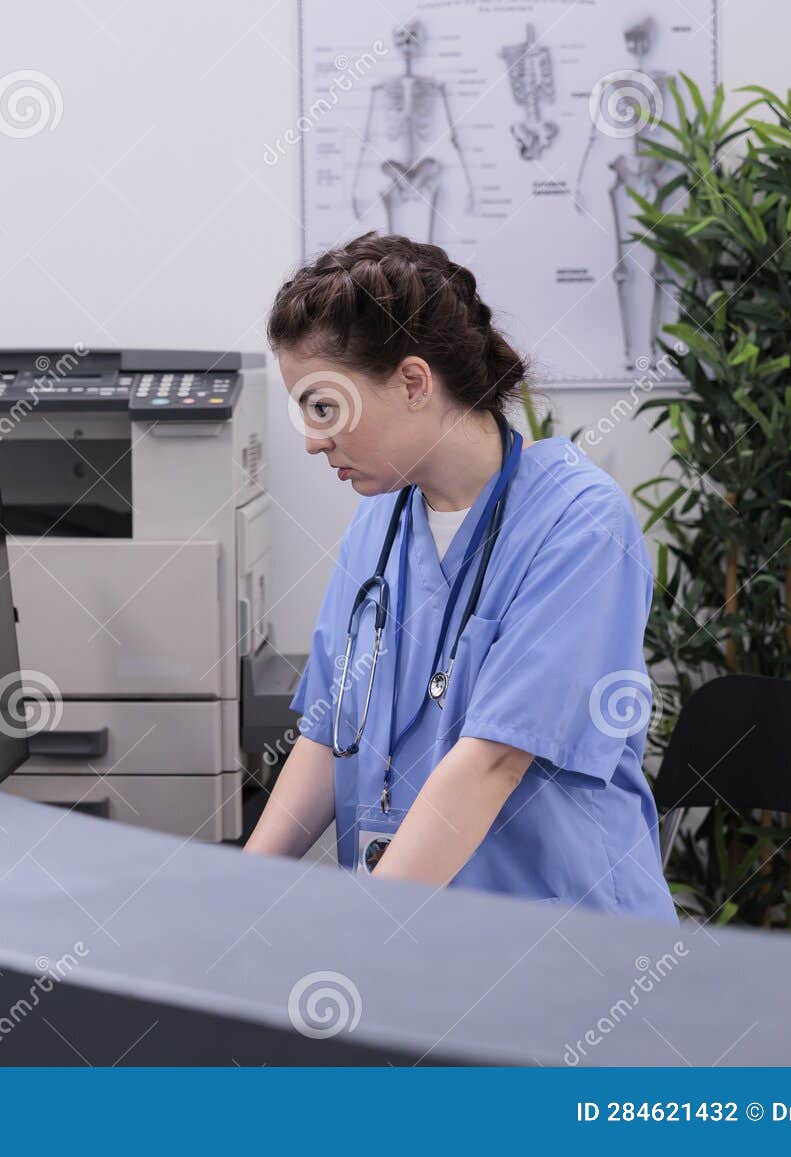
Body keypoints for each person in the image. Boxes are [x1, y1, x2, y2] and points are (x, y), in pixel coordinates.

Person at [244, 232, 675, 922]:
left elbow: (493, 762)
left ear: (414, 382)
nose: (310, 438)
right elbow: (328, 734)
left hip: (557, 943)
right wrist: (236, 900)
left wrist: (363, 934)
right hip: (415, 932)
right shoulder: (379, 522)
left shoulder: (581, 524)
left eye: (324, 406)